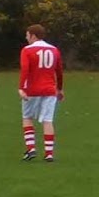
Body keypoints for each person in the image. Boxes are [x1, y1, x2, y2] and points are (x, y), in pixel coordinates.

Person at [19, 24, 63, 162]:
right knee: (48, 120)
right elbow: (59, 71)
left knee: (27, 117)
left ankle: (31, 149)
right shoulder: (54, 50)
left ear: (33, 35)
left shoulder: (27, 50)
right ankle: (49, 153)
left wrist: (21, 87)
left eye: (27, 35)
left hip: (32, 89)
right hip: (50, 89)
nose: (26, 38)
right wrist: (60, 88)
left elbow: (25, 69)